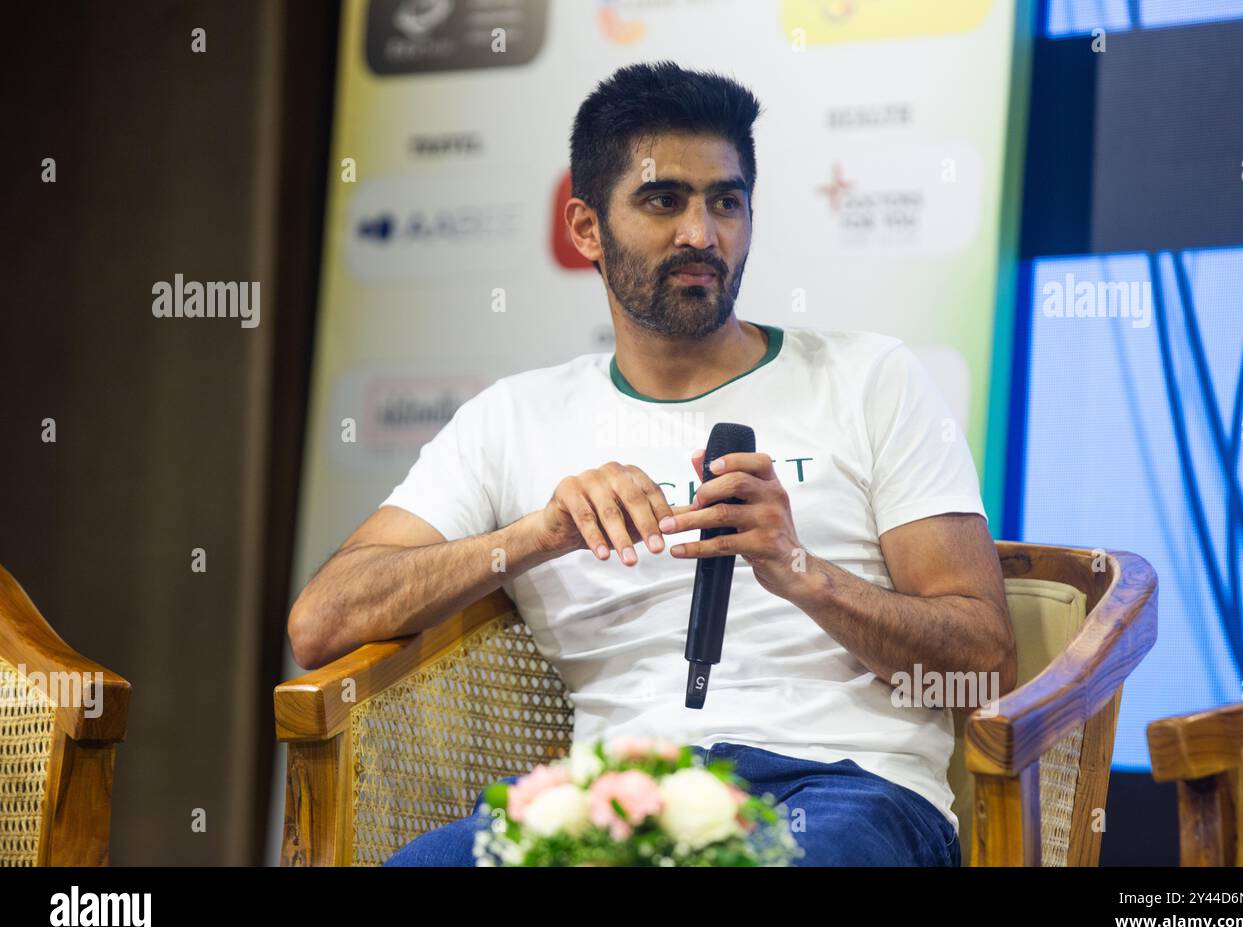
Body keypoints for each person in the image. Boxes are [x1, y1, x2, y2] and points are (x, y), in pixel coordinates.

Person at [288, 61, 1016, 867]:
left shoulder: (870, 377)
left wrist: (802, 570)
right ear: (587, 228)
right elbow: (323, 625)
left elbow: (983, 664)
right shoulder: (514, 419)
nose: (702, 235)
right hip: (614, 800)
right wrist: (537, 535)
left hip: (841, 793)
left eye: (726, 202)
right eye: (664, 200)